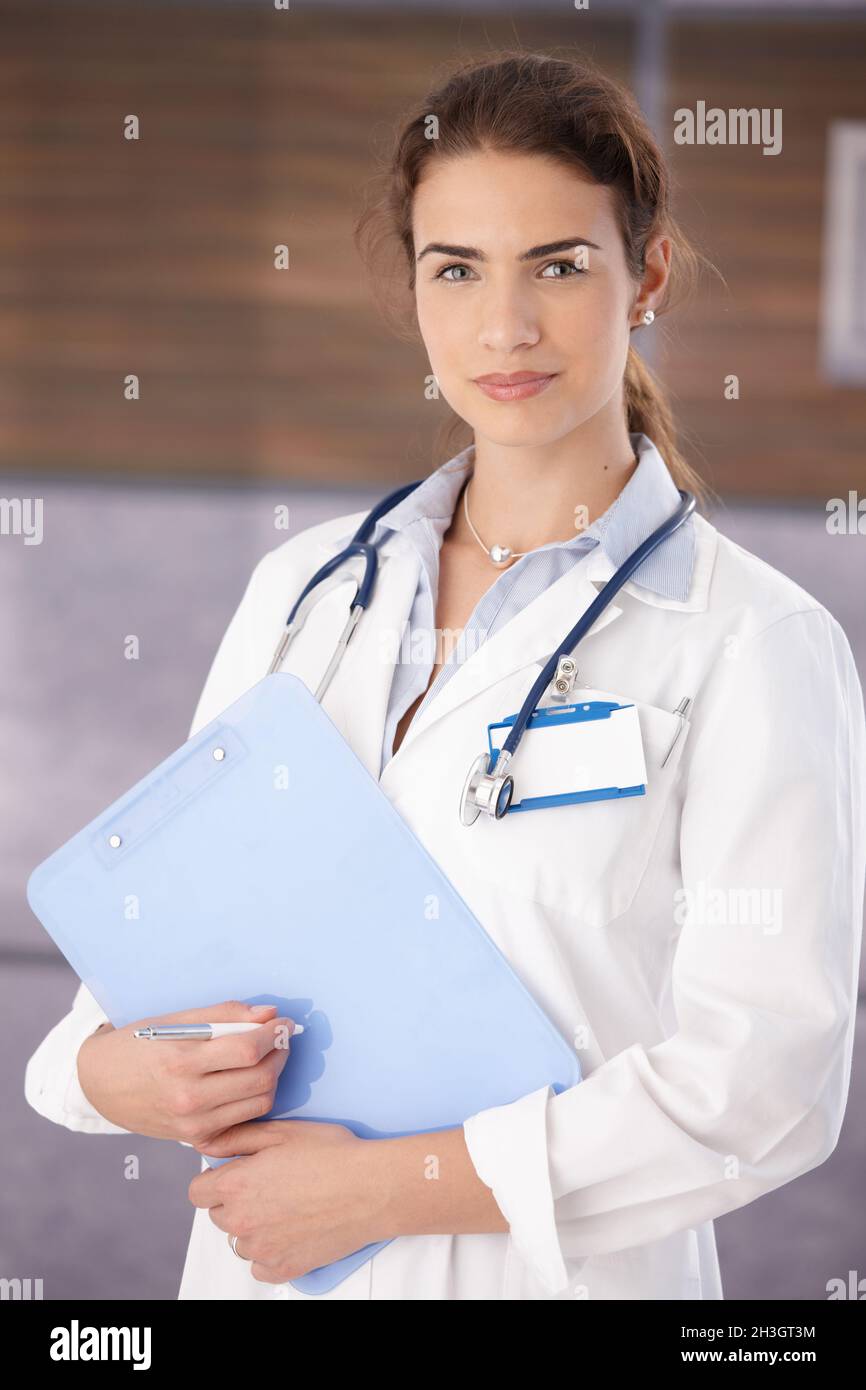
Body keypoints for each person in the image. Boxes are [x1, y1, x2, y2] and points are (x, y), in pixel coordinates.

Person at [25, 50, 866, 1301]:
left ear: (644, 276)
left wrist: (379, 1189)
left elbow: (761, 1086)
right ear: (412, 286)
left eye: (558, 267)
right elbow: (134, 977)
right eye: (456, 268)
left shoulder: (751, 639)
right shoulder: (305, 594)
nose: (504, 327)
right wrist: (113, 1073)